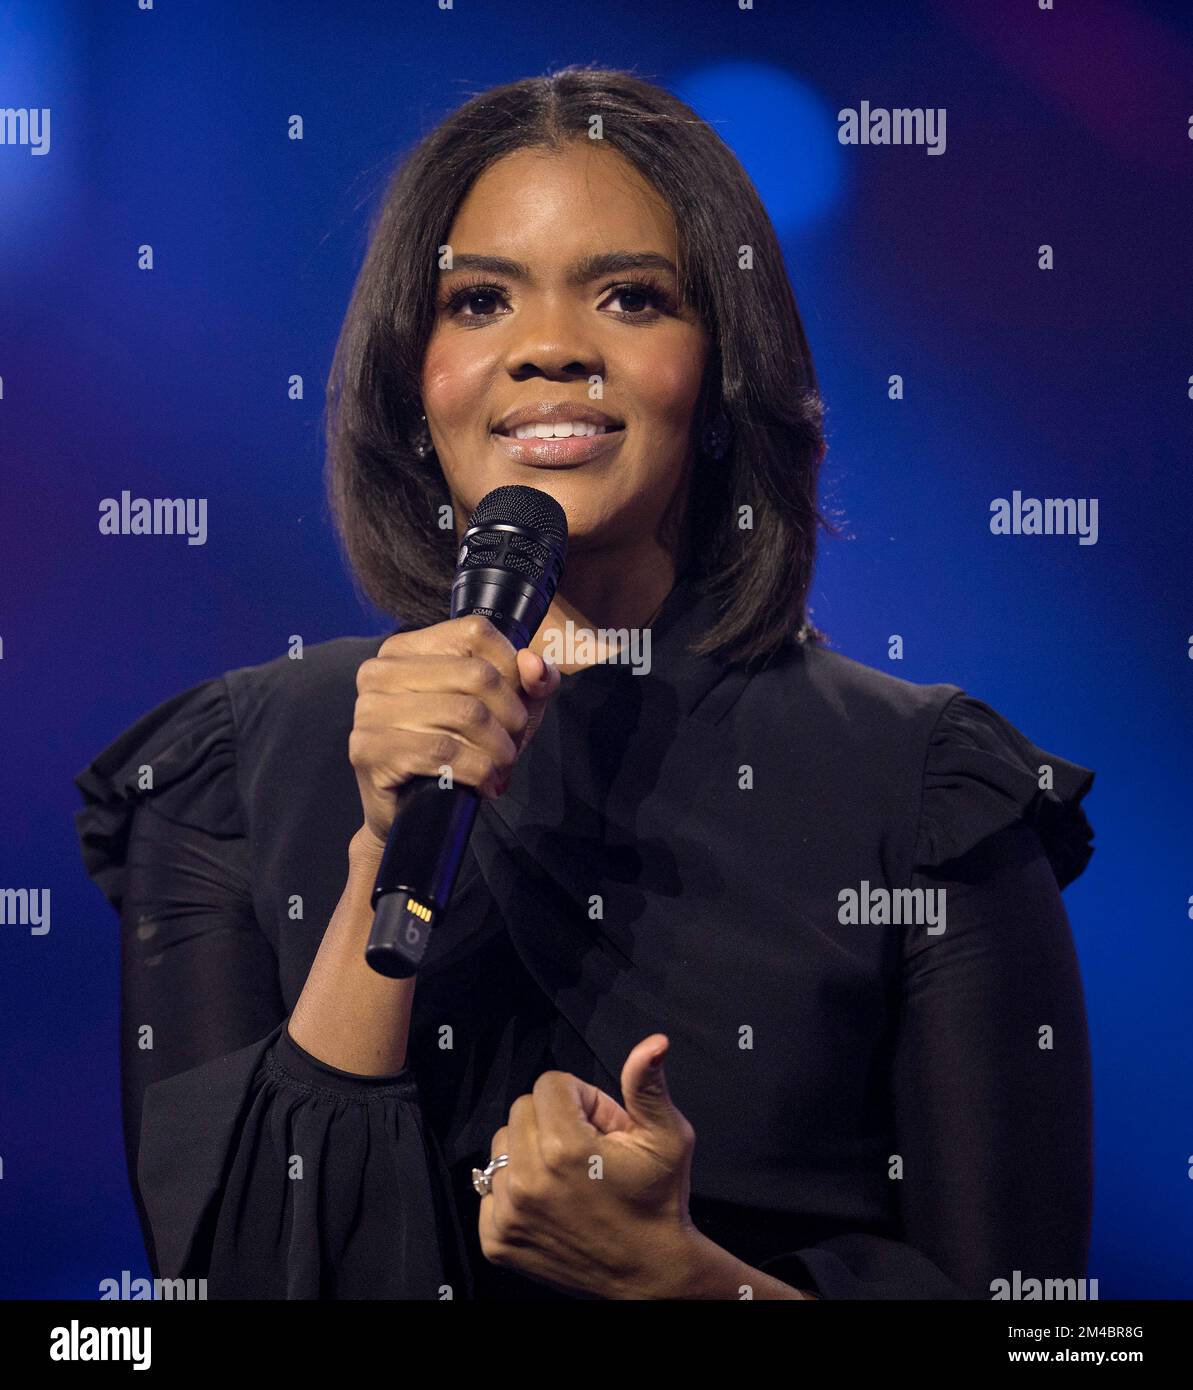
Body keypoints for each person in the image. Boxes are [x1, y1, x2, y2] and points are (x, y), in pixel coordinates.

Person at [73, 67, 1095, 1301]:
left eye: (628, 295)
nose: (551, 350)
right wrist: (378, 855)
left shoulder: (930, 792)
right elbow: (229, 1282)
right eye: (479, 300)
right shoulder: (230, 772)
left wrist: (684, 1283)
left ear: (719, 376)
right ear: (415, 383)